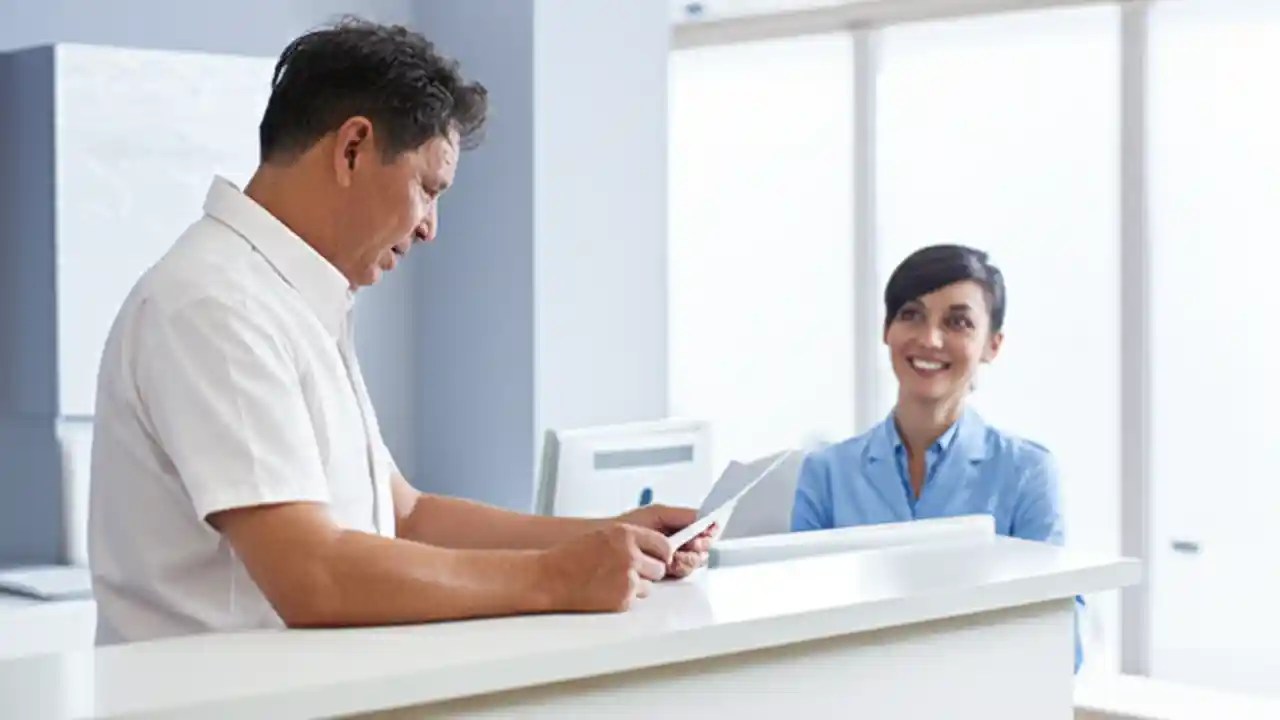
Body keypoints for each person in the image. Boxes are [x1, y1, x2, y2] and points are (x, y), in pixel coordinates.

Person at [88, 18, 711, 645]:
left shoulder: (294, 301)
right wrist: (555, 578)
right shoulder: (215, 305)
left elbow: (405, 516)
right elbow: (311, 575)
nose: (430, 228)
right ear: (353, 148)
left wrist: (608, 536)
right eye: (428, 189)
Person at [790, 244, 1082, 670]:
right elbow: (796, 631)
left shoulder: (1026, 474)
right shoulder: (826, 474)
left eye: (958, 322)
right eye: (911, 314)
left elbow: (1061, 642)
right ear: (886, 330)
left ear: (992, 345)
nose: (930, 339)